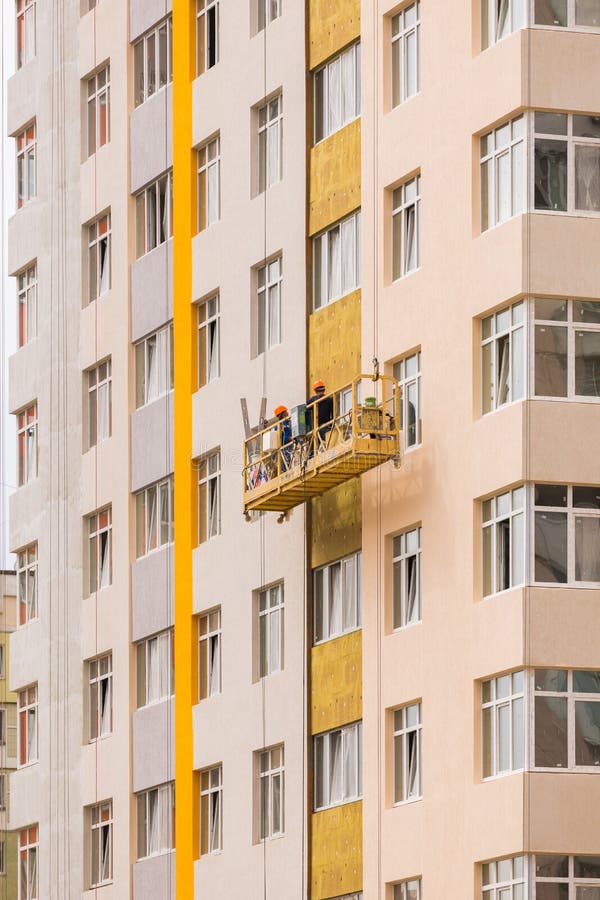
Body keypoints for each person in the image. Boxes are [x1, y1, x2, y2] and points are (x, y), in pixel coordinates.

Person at [306, 380, 334, 448]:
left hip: (317, 427)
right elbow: (333, 414)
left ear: (315, 390)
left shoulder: (312, 400)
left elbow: (305, 413)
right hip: (324, 426)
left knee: (314, 446)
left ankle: (312, 454)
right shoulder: (329, 399)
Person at [273, 405, 292, 469]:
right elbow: (279, 439)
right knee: (286, 464)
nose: (287, 413)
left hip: (291, 447)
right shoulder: (278, 426)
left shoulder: (289, 423)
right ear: (282, 414)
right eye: (286, 411)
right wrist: (290, 438)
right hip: (284, 449)